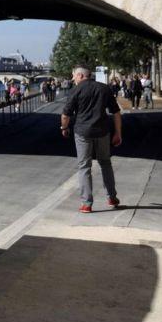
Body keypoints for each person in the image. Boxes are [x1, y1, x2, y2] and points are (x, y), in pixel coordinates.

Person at [61, 66, 122, 213]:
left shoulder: (75, 90)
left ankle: (87, 203)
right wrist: (118, 133)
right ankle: (112, 197)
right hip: (102, 131)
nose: (73, 79)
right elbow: (116, 113)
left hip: (82, 132)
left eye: (74, 76)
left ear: (81, 75)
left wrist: (64, 127)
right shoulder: (104, 88)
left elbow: (65, 115)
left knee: (84, 166)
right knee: (105, 163)